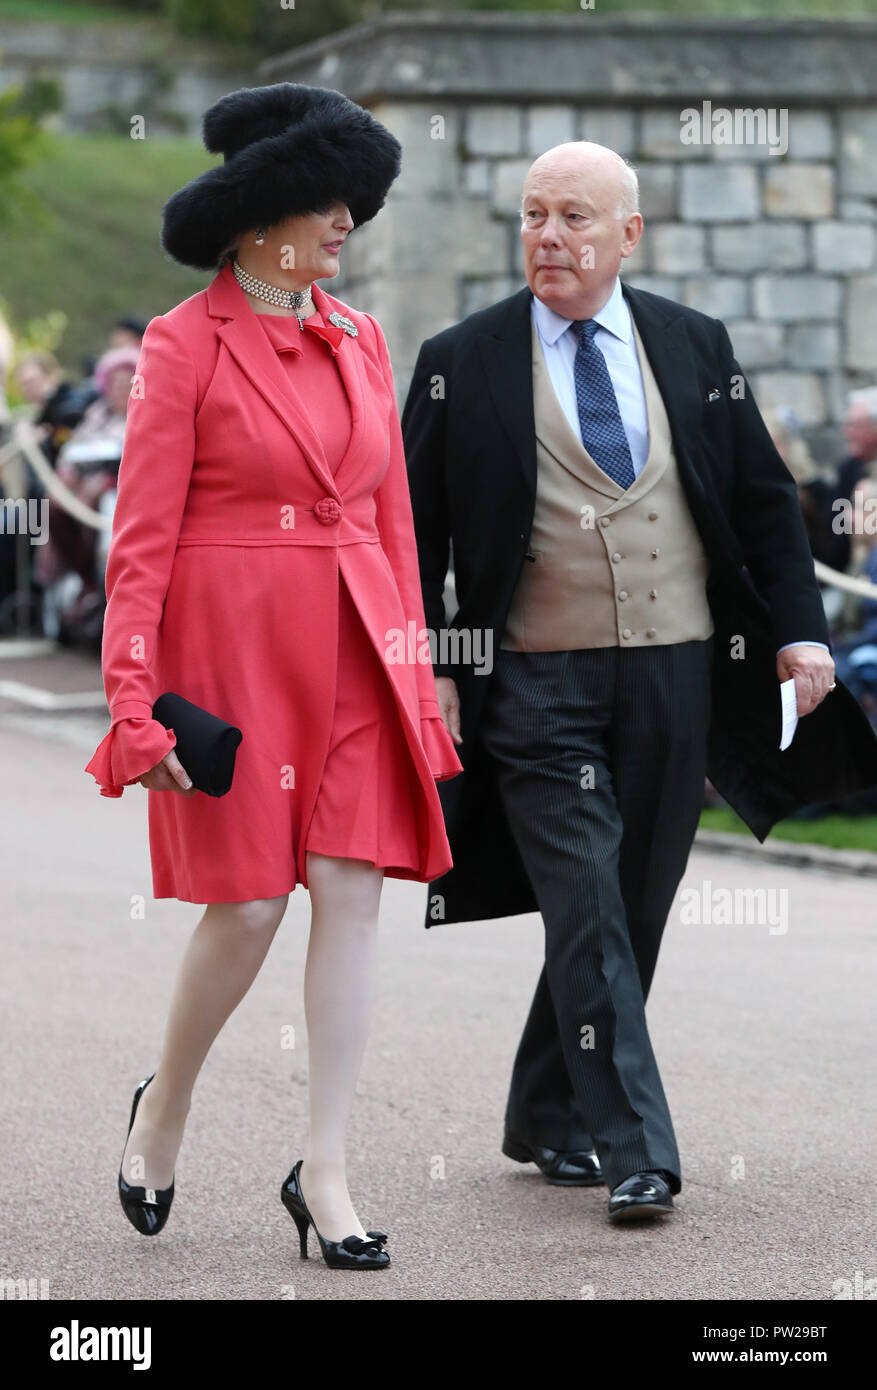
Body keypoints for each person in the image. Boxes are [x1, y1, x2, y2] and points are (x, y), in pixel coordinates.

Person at [402, 141, 877, 1224]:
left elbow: (763, 501)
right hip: (534, 682)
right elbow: (410, 536)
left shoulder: (692, 342)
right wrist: (434, 664)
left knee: (629, 905)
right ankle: (635, 1151)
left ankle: (542, 1110)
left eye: (573, 217)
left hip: (676, 671)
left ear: (627, 235)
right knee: (585, 898)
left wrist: (801, 638)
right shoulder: (458, 361)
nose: (548, 236)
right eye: (533, 215)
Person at [84, 82, 462, 1270]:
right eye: (326, 201)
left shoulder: (360, 336)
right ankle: (164, 1108)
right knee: (247, 906)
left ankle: (325, 1170)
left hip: (357, 647)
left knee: (350, 890)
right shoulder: (181, 343)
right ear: (257, 217)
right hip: (232, 656)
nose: (348, 221)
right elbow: (140, 540)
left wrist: (419, 675)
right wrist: (131, 701)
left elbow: (393, 527)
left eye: (355, 201)